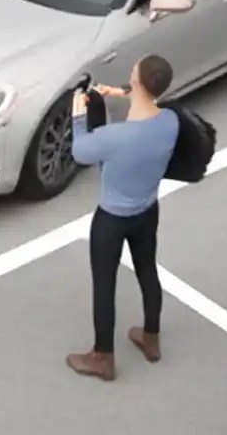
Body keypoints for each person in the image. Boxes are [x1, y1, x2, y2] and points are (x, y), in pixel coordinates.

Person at [65, 54, 180, 382]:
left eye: (133, 72)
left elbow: (81, 151)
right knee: (147, 270)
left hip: (111, 220)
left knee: (105, 285)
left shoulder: (115, 139)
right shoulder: (169, 122)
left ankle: (102, 357)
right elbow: (146, 110)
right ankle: (151, 337)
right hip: (146, 212)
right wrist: (120, 94)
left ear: (139, 82)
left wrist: (78, 112)